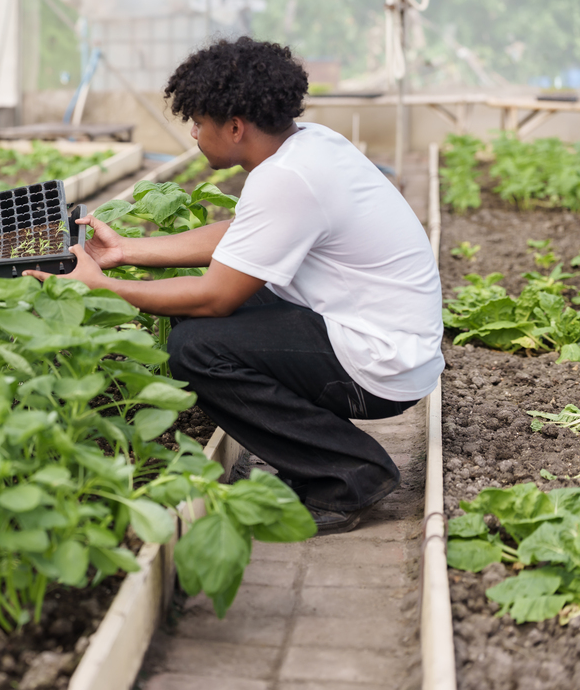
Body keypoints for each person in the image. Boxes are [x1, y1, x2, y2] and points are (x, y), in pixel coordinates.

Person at [25, 37, 444, 535]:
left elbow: (215, 295)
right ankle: (307, 458)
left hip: (381, 364)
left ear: (235, 127)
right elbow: (242, 236)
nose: (196, 136)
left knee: (196, 348)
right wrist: (126, 252)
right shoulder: (306, 144)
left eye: (199, 123)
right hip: (383, 334)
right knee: (201, 323)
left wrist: (104, 288)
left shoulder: (289, 176)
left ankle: (348, 476)